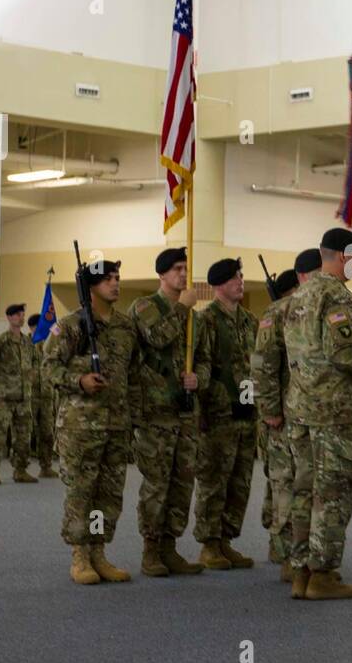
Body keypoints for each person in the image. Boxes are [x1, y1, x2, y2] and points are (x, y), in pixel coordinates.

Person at [282, 228, 352, 600]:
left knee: (304, 492)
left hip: (301, 411)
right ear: (344, 256)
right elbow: (341, 353)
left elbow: (321, 340)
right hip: (334, 414)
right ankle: (323, 575)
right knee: (333, 494)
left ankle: (301, 571)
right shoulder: (336, 295)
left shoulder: (303, 294)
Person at [44, 259, 140, 585]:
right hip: (80, 426)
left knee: (107, 495)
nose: (116, 283)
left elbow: (134, 374)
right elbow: (48, 369)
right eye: (108, 279)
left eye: (117, 277)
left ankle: (99, 551)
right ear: (92, 286)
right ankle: (80, 555)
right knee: (81, 493)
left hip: (116, 424)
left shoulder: (126, 327)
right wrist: (79, 380)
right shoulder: (70, 325)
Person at [128, 247, 204, 577]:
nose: (183, 274)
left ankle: (170, 546)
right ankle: (151, 549)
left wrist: (199, 377)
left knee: (183, 483)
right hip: (155, 412)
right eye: (176, 269)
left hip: (185, 413)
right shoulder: (145, 307)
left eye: (186, 268)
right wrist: (182, 307)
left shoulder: (194, 318)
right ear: (162, 275)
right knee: (156, 483)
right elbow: (158, 337)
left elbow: (203, 357)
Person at [191, 257, 259, 570]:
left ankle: (226, 540)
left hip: (246, 412)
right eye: (234, 278)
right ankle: (209, 544)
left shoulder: (249, 321)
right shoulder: (206, 321)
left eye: (241, 276)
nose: (240, 282)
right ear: (219, 285)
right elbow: (201, 364)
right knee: (213, 480)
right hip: (218, 414)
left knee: (240, 481)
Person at [252, 264, 305, 581]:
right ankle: (285, 551)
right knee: (284, 482)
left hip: (299, 414)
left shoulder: (305, 311)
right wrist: (270, 408)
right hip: (281, 414)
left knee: (285, 482)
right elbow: (263, 365)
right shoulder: (279, 313)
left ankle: (283, 547)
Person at [0, 304, 38, 485]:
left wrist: (31, 378)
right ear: (9, 317)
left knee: (23, 437)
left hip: (23, 397)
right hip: (3, 398)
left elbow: (35, 361)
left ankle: (20, 470)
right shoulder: (1, 341)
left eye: (23, 314)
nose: (21, 317)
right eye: (18, 315)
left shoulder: (27, 342)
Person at [27, 313, 58, 479]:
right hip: (29, 395)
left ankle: (45, 466)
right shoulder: (24, 344)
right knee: (25, 432)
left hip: (46, 396)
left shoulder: (49, 346)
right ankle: (20, 468)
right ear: (33, 327)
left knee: (47, 433)